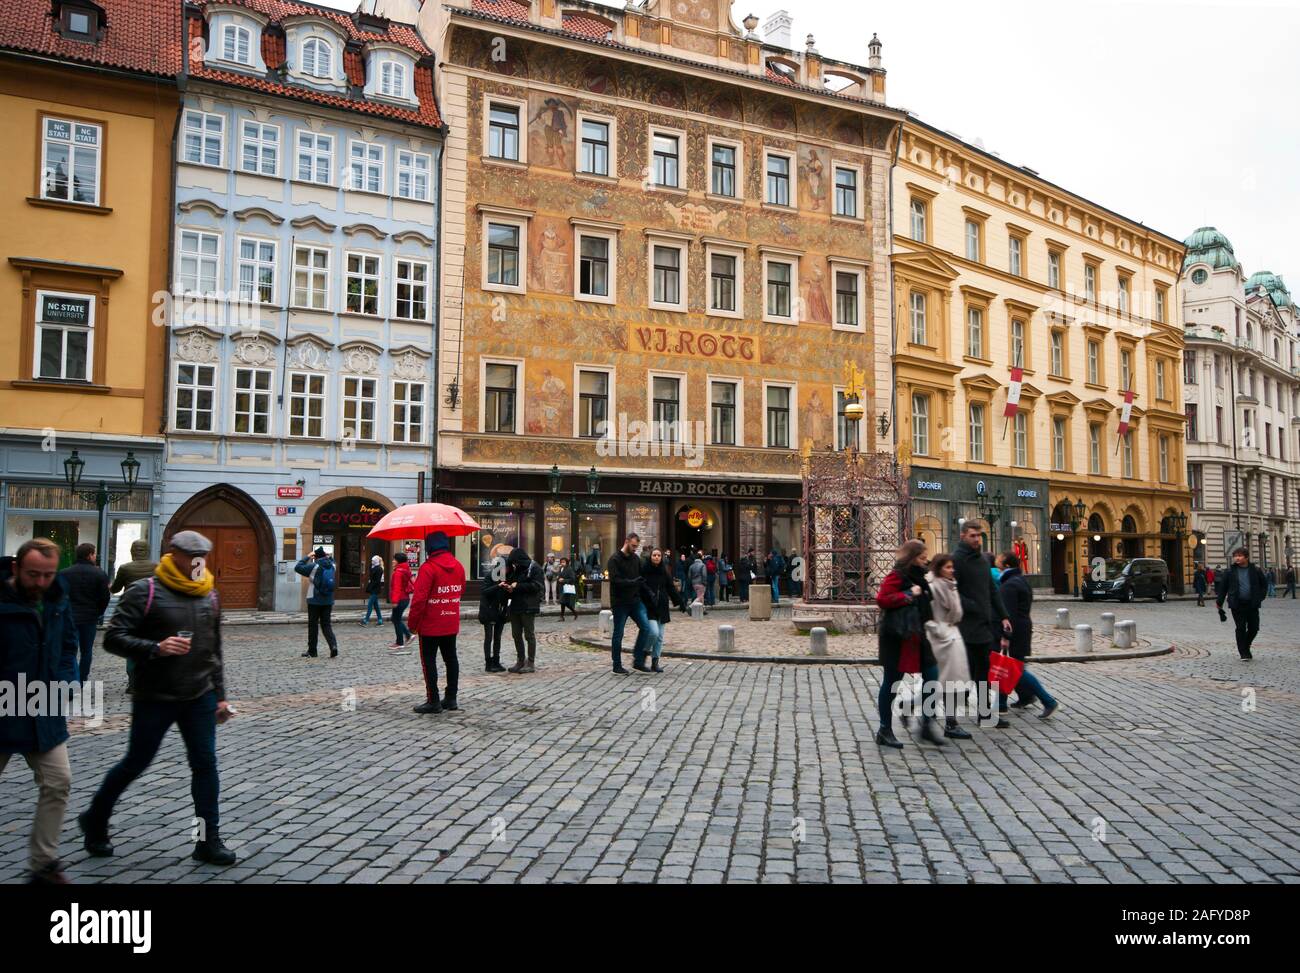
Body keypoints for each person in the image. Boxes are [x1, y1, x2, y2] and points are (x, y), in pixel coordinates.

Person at [81, 530, 236, 866]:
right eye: (191, 556)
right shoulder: (145, 591)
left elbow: (214, 649)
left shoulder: (209, 593)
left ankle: (206, 841)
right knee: (136, 762)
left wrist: (220, 696)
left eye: (202, 557)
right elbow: (114, 639)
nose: (197, 562)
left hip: (199, 694)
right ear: (173, 554)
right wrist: (155, 648)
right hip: (155, 695)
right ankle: (95, 819)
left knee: (205, 766)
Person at [0, 538, 78, 884]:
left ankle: (44, 863)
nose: (41, 582)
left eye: (48, 575)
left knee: (59, 781)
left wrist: (63, 682)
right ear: (16, 568)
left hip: (43, 707)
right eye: (34, 574)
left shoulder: (58, 599)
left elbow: (68, 645)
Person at [874, 540, 944, 750]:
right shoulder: (897, 575)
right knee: (891, 684)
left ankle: (927, 725)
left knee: (932, 677)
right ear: (912, 557)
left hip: (917, 637)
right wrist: (907, 595)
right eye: (922, 558)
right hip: (896, 637)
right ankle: (884, 729)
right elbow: (882, 599)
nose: (925, 561)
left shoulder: (920, 578)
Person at [952, 520, 1011, 729]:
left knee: (983, 673)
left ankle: (985, 714)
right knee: (961, 674)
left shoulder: (983, 561)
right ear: (963, 536)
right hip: (964, 625)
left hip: (983, 626)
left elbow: (992, 590)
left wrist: (1004, 615)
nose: (977, 539)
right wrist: (973, 605)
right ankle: (950, 720)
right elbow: (953, 591)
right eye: (972, 536)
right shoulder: (956, 560)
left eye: (979, 535)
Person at [407, 531, 466, 712]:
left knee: (429, 661)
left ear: (430, 547)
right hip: (450, 621)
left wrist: (412, 625)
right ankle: (451, 698)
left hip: (431, 624)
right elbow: (460, 589)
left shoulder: (428, 568)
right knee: (451, 659)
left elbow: (418, 600)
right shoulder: (458, 566)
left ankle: (433, 700)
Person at [998, 552, 1059, 719]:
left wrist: (1005, 636)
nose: (996, 561)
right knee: (1010, 667)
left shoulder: (1009, 585)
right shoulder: (1020, 580)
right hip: (1023, 628)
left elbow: (1008, 615)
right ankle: (1014, 700)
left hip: (1016, 631)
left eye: (999, 559)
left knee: (1016, 670)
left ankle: (1048, 701)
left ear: (1007, 565)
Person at [924, 553, 972, 739]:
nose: (952, 570)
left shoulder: (951, 586)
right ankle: (950, 723)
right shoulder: (933, 587)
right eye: (948, 567)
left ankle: (949, 721)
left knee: (951, 683)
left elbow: (957, 612)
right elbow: (926, 615)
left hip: (953, 636)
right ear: (938, 568)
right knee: (943, 683)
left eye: (953, 567)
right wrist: (938, 630)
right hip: (941, 639)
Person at [59, 542, 110, 683]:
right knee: (86, 651)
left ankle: (71, 678)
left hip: (70, 617)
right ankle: (82, 678)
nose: (95, 557)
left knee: (70, 650)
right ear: (89, 555)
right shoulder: (99, 574)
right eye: (94, 554)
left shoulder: (65, 573)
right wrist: (98, 612)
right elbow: (105, 597)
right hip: (89, 617)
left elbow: (60, 595)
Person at [608, 533, 653, 673]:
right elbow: (615, 581)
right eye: (633, 546)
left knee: (646, 628)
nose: (635, 549)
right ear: (626, 541)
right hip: (620, 602)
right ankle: (617, 665)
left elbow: (641, 579)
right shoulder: (614, 559)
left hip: (635, 601)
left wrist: (649, 592)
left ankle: (638, 661)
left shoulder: (636, 559)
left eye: (636, 546)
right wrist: (632, 582)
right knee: (618, 633)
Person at [1215, 547, 1267, 660]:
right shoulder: (1229, 571)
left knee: (1254, 628)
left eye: (1240, 555)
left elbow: (1264, 585)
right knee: (1240, 627)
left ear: (1246, 557)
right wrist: (1219, 602)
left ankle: (1246, 645)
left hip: (1252, 604)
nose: (1237, 558)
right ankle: (1243, 652)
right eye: (1235, 556)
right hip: (1237, 604)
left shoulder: (1256, 570)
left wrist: (1259, 598)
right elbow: (1223, 588)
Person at [504, 546, 543, 673]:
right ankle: (520, 660)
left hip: (529, 605)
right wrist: (510, 586)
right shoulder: (517, 568)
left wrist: (518, 586)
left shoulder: (534, 568)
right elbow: (512, 582)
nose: (514, 564)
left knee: (529, 635)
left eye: (515, 561)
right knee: (516, 634)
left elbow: (536, 586)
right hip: (516, 605)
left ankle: (530, 662)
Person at [294, 546, 338, 658]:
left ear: (315, 557)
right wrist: (327, 555)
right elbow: (331, 559)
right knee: (326, 624)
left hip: (314, 599)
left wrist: (308, 556)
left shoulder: (314, 566)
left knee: (313, 625)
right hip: (328, 599)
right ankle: (333, 646)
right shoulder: (333, 565)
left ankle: (312, 651)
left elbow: (298, 567)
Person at [639, 548, 673, 673]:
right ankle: (644, 653)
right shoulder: (645, 570)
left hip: (662, 607)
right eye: (654, 555)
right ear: (651, 556)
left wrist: (680, 602)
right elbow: (641, 585)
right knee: (653, 632)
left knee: (659, 637)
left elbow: (670, 588)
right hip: (650, 607)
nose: (657, 557)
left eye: (659, 555)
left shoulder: (664, 571)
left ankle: (655, 662)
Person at [478, 555, 508, 672]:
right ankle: (488, 663)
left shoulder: (506, 577)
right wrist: (498, 586)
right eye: (505, 567)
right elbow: (484, 591)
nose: (507, 570)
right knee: (489, 638)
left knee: (498, 638)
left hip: (500, 612)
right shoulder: (490, 576)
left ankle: (496, 661)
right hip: (489, 611)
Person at [389, 552, 414, 648]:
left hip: (400, 599)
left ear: (398, 561)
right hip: (405, 598)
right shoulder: (405, 570)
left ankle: (400, 642)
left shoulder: (398, 573)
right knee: (396, 619)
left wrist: (395, 601)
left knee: (395, 619)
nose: (392, 561)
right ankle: (407, 635)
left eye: (394, 559)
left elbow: (397, 588)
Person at [361, 555, 385, 626]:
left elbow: (376, 581)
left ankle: (366, 620)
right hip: (374, 588)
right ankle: (380, 620)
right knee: (376, 605)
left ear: (376, 561)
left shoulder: (379, 569)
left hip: (375, 589)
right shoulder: (374, 567)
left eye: (373, 561)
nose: (371, 562)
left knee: (370, 605)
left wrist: (371, 586)